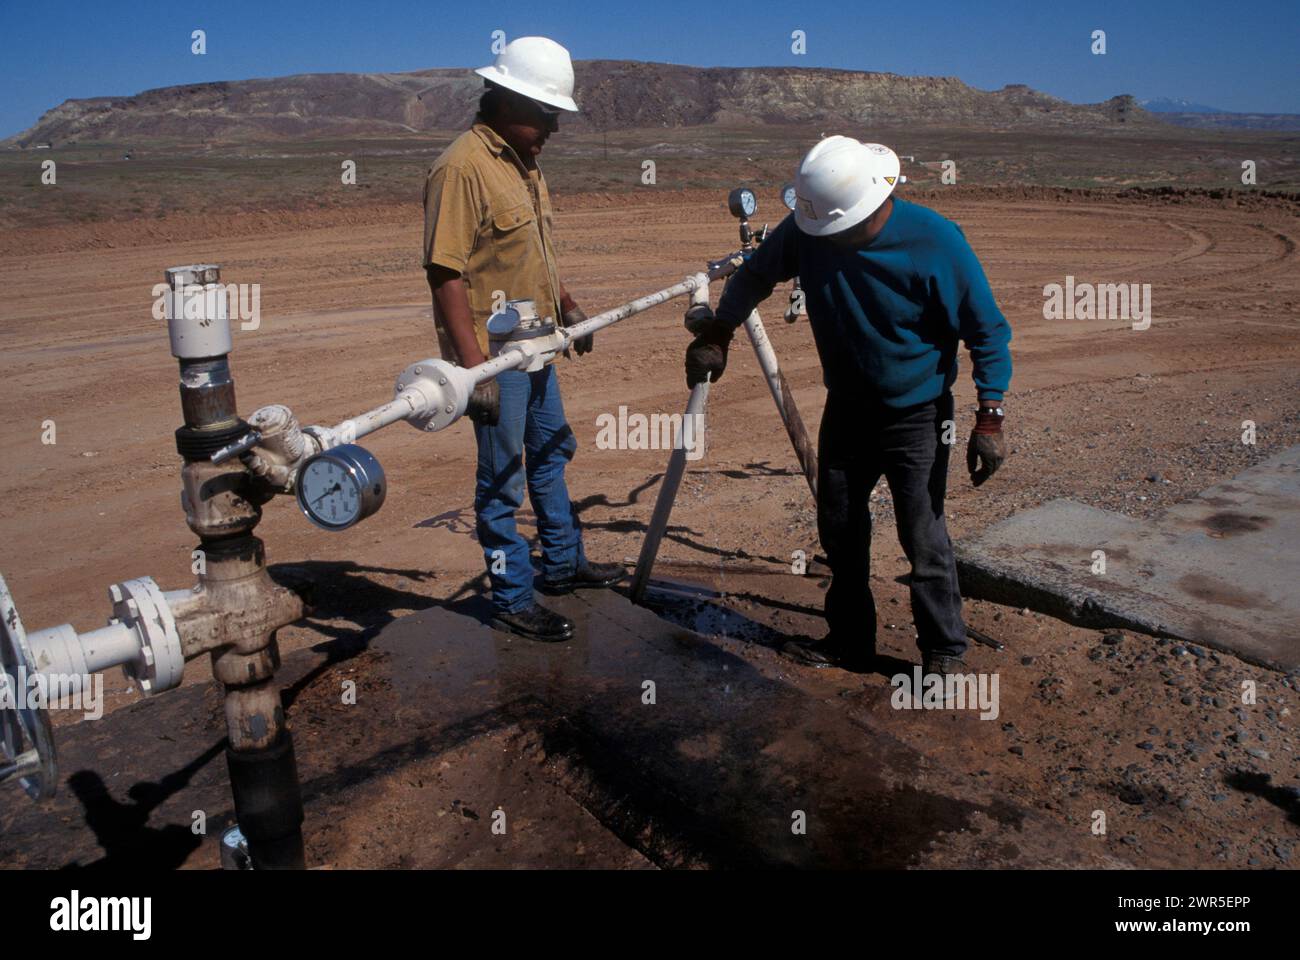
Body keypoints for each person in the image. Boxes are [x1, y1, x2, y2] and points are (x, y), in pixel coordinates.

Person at [684, 136, 1012, 677]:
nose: (829, 240)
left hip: (918, 416)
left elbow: (988, 332)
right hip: (848, 409)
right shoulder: (810, 229)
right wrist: (720, 330)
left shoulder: (935, 240)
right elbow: (755, 274)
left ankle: (944, 655)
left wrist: (990, 416)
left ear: (873, 205)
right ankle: (850, 642)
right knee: (839, 529)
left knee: (923, 538)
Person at [422, 36, 623, 642]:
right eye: (547, 114)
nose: (554, 128)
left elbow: (536, 248)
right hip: (494, 359)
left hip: (537, 344)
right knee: (502, 480)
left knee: (553, 450)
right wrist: (471, 370)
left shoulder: (524, 161)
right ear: (508, 100)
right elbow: (445, 272)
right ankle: (512, 597)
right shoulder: (461, 167)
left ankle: (561, 565)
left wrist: (565, 304)